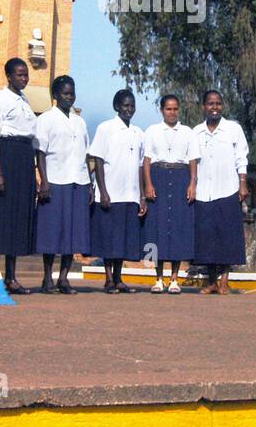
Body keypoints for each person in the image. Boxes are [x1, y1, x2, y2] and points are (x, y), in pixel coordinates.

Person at [32, 75, 91, 294]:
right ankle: (47, 278)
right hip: (55, 181)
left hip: (78, 181)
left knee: (72, 232)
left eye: (72, 93)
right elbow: (40, 152)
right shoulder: (46, 119)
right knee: (52, 232)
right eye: (65, 93)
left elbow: (85, 154)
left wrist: (90, 184)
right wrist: (44, 182)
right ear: (56, 95)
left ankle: (63, 278)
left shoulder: (80, 121)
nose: (70, 97)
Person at [0, 58, 37, 294]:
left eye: (25, 74)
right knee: (0, 218)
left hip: (24, 158)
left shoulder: (25, 101)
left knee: (17, 217)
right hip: (6, 156)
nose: (23, 78)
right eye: (19, 75)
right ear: (8, 76)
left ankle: (11, 277)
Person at [88, 90, 146, 293]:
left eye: (132, 106)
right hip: (111, 193)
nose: (129, 109)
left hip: (130, 194)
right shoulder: (106, 128)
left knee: (123, 238)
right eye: (125, 106)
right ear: (117, 106)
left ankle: (119, 277)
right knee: (108, 237)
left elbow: (140, 165)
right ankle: (108, 278)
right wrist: (102, 191)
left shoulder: (139, 132)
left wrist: (142, 195)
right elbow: (98, 160)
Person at [192, 90, 249, 294]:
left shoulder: (233, 129)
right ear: (203, 107)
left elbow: (241, 158)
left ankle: (225, 281)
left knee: (227, 237)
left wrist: (243, 183)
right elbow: (192, 161)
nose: (214, 107)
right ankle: (211, 282)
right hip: (203, 193)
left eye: (217, 103)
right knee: (207, 238)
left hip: (228, 189)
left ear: (222, 106)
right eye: (210, 103)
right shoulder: (196, 131)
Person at [141, 94, 199, 293]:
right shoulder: (152, 131)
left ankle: (174, 278)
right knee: (157, 227)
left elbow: (193, 160)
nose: (172, 113)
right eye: (168, 109)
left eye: (175, 109)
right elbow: (146, 161)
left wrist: (192, 183)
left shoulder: (188, 132)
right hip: (159, 177)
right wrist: (148, 184)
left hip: (181, 177)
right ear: (161, 110)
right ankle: (158, 278)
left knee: (177, 228)